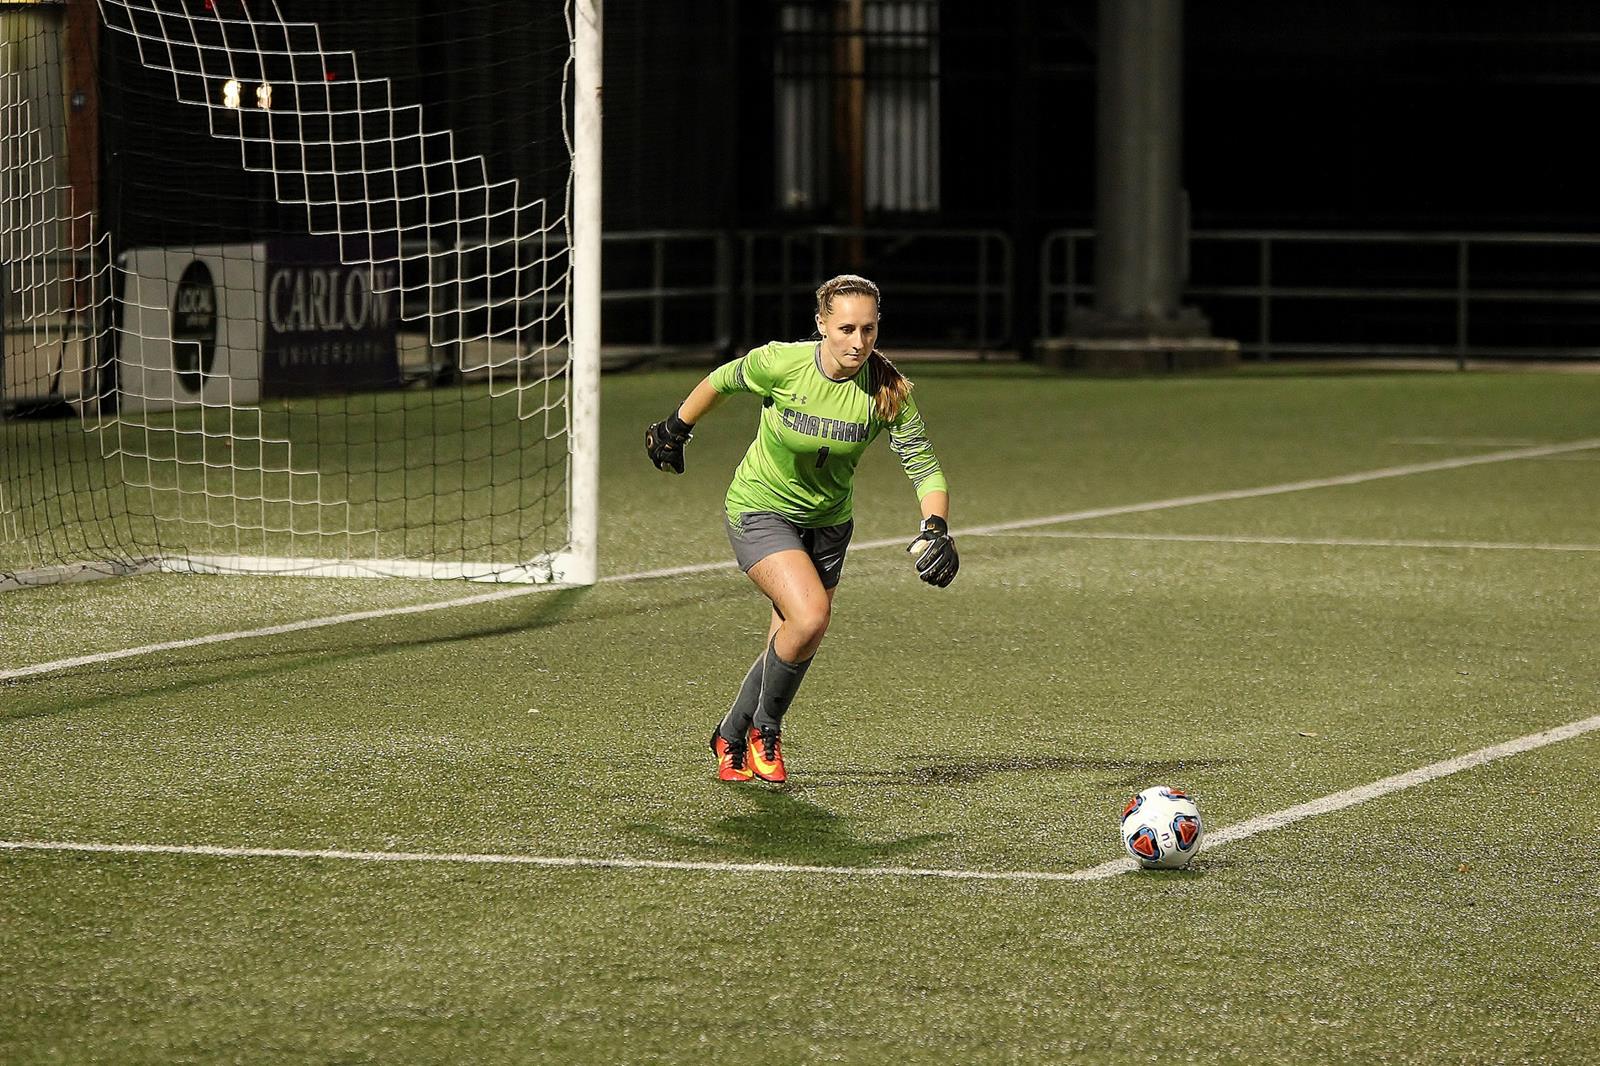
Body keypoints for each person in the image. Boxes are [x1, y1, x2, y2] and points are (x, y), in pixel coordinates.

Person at [645, 273, 958, 784]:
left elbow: (923, 463)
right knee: (810, 617)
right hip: (760, 507)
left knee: (796, 635)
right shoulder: (782, 363)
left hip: (829, 524)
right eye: (846, 329)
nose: (858, 342)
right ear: (821, 325)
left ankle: (730, 733)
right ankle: (766, 728)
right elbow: (723, 380)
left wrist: (937, 525)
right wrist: (678, 426)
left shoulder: (887, 390)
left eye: (870, 330)